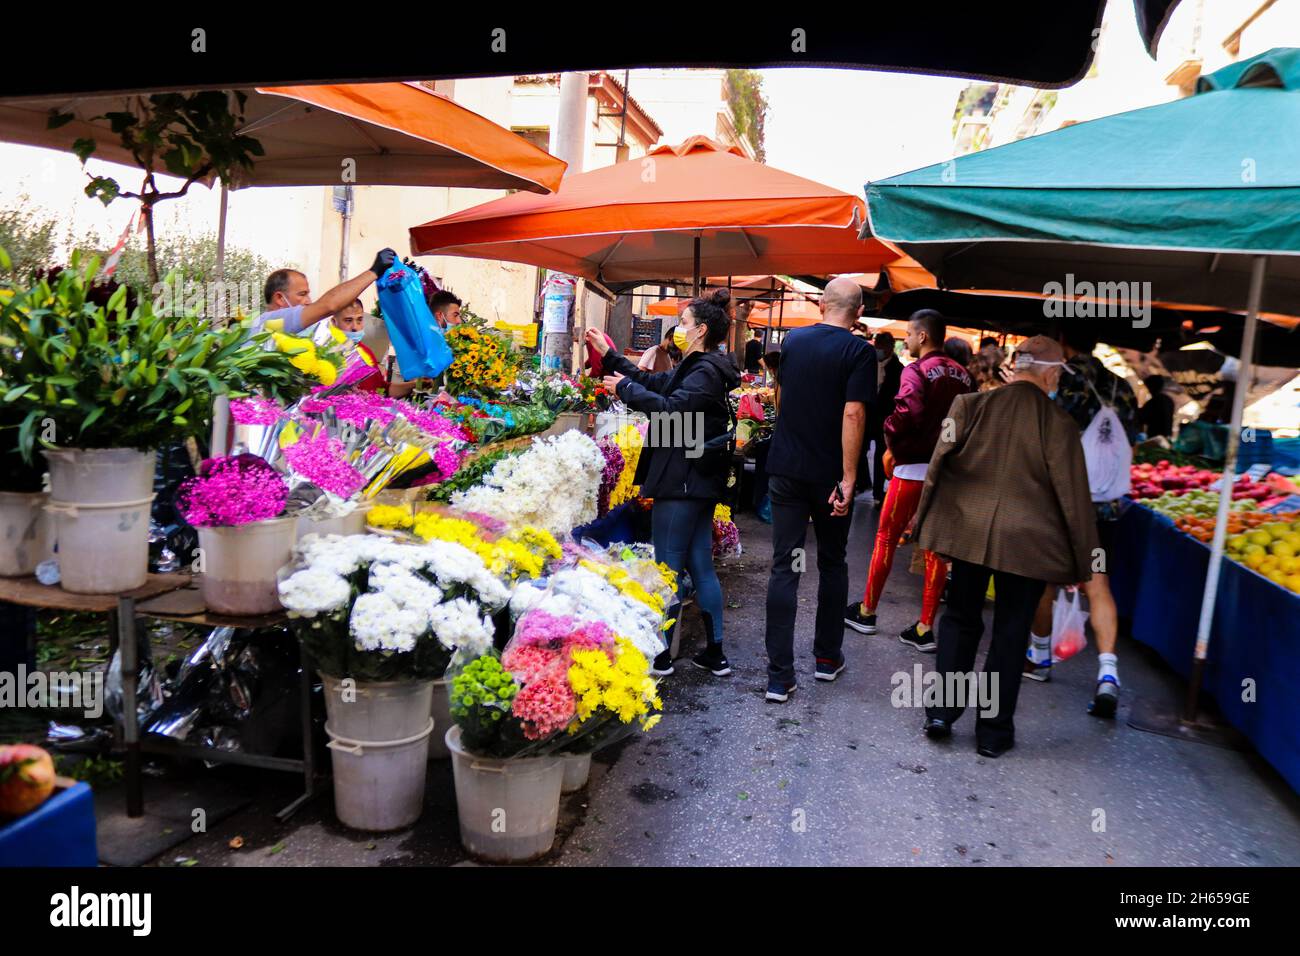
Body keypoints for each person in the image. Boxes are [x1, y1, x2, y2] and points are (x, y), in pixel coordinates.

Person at [914, 336, 1098, 757]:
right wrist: (1083, 564)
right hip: (1029, 545)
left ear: (1018, 365)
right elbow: (1074, 498)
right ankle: (993, 732)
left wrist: (926, 526)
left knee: (960, 618)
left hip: (968, 532)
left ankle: (941, 713)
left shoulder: (971, 406)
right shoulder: (1060, 424)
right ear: (1051, 373)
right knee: (1012, 631)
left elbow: (937, 466)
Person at [585, 290, 739, 678]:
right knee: (700, 563)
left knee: (667, 565)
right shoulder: (699, 366)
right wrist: (611, 356)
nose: (677, 329)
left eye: (684, 323)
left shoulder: (703, 371)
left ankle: (660, 655)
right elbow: (654, 381)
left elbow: (670, 409)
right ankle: (713, 654)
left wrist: (624, 389)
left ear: (701, 330)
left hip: (684, 478)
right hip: (697, 479)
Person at [762, 277, 875, 702]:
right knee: (831, 561)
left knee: (785, 566)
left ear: (822, 305)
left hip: (787, 470)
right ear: (858, 312)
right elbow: (853, 414)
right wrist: (848, 478)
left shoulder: (793, 341)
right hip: (828, 477)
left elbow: (781, 394)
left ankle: (779, 677)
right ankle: (826, 659)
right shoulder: (859, 352)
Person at [1023, 326, 1138, 719]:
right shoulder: (1122, 387)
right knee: (1098, 583)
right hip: (1104, 510)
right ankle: (1108, 671)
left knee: (1045, 582)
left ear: (1064, 344)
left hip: (1061, 506)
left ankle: (1039, 657)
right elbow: (1132, 444)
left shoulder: (1062, 381)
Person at [846, 310, 974, 649]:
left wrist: (889, 435)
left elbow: (908, 412)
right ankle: (925, 628)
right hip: (945, 472)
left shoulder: (917, 371)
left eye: (909, 334)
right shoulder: (964, 375)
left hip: (911, 469)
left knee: (886, 538)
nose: (906, 340)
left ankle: (868, 611)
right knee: (934, 548)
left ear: (923, 337)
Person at [251, 249, 397, 339]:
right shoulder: (271, 322)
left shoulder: (294, 332)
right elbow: (329, 305)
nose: (308, 301)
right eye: (302, 294)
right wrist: (374, 271)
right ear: (279, 298)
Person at [312, 298, 386, 391]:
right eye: (348, 320)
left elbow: (382, 388)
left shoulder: (366, 353)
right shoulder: (324, 353)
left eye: (359, 320)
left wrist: (409, 385)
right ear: (334, 322)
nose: (355, 327)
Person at [864, 331, 903, 505]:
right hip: (867, 416)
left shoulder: (898, 368)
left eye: (882, 346)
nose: (878, 349)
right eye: (877, 346)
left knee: (882, 454)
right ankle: (862, 482)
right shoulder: (869, 363)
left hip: (886, 418)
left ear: (890, 347)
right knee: (859, 451)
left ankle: (878, 493)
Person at [1139, 374, 1175, 439]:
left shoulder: (1154, 401)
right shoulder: (1169, 400)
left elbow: (1142, 418)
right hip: (1166, 437)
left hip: (1155, 437)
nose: (1148, 390)